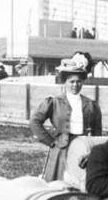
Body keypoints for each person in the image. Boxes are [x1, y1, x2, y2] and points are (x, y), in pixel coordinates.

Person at [30, 52, 102, 182]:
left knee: (82, 182)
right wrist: (51, 142)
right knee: (59, 183)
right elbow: (35, 121)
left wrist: (93, 150)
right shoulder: (54, 101)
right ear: (65, 82)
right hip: (61, 149)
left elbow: (98, 132)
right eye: (72, 82)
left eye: (79, 82)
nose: (75, 85)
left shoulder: (91, 105)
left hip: (83, 148)